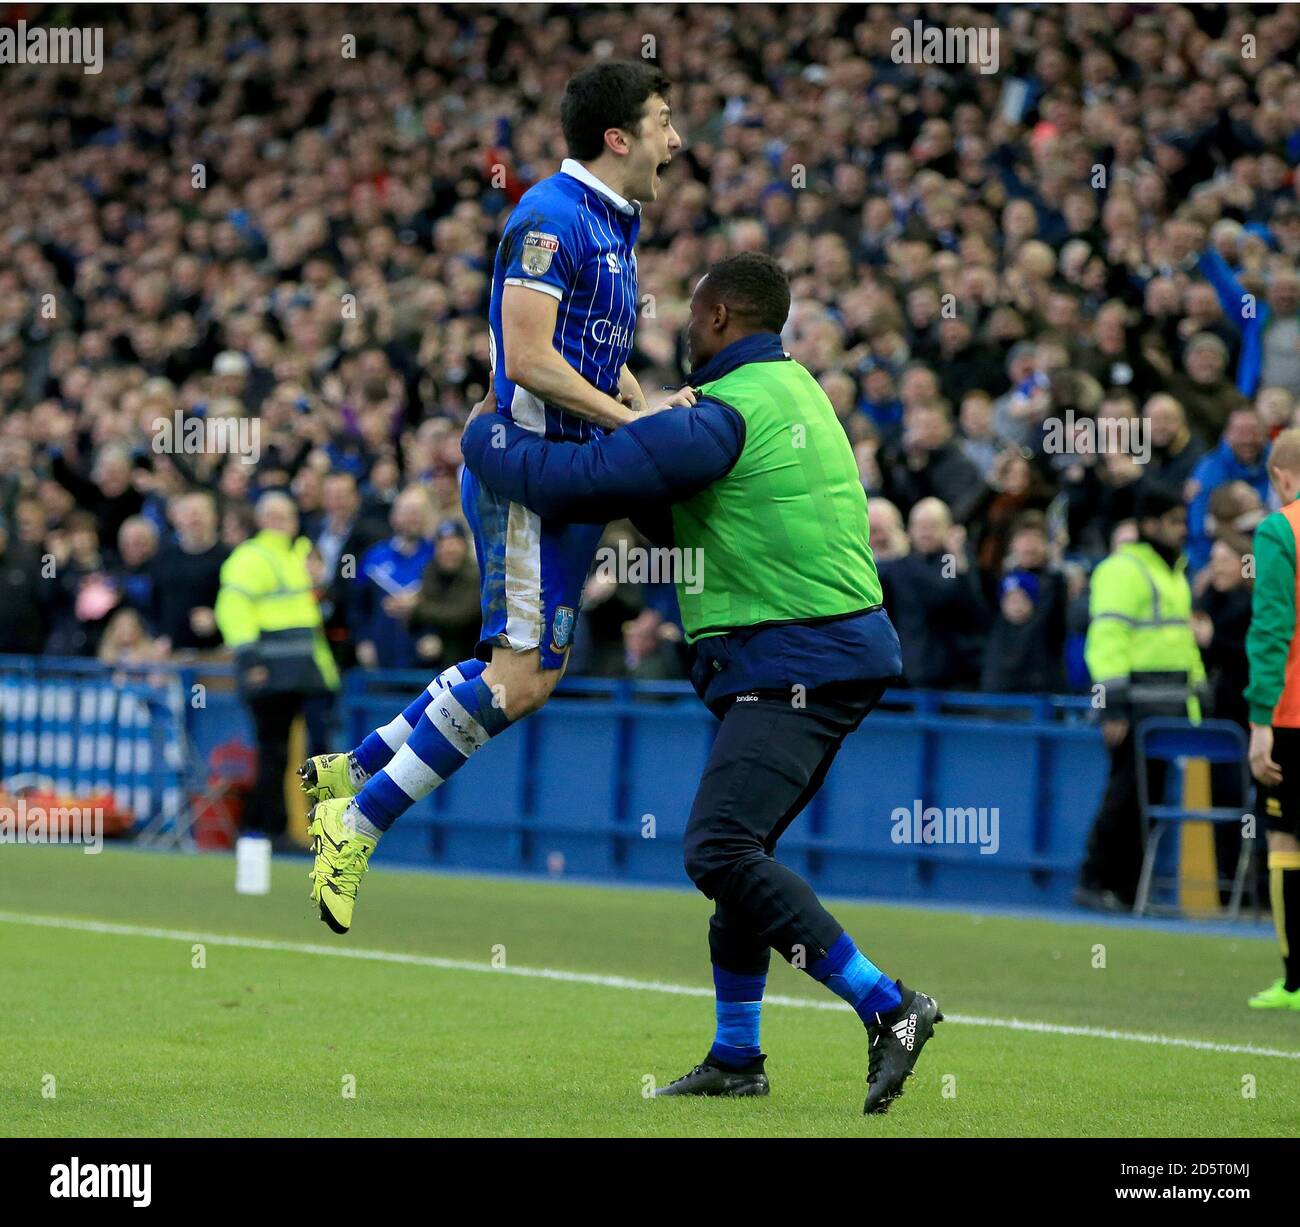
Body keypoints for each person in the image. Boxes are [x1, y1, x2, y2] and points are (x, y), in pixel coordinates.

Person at [462, 253, 942, 1115]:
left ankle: (889, 1004)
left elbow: (583, 486)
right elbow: (664, 494)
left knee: (718, 850)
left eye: (689, 310)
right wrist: (632, 425)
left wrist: (484, 439)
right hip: (817, 653)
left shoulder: (728, 409)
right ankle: (737, 1054)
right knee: (738, 857)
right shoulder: (785, 395)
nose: (682, 324)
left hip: (800, 659)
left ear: (718, 314)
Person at [299, 60, 693, 932]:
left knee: (526, 676)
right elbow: (531, 360)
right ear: (618, 138)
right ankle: (354, 824)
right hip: (529, 470)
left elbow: (591, 348)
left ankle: (357, 768)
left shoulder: (610, 222)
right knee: (518, 678)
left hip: (571, 476)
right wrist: (636, 429)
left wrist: (644, 404)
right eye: (665, 121)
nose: (678, 140)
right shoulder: (550, 217)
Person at [1077, 484, 1206, 911]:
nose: (1182, 529)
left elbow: (1180, 640)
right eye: (1173, 521)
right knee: (1125, 797)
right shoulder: (1123, 569)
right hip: (1135, 707)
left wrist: (1198, 694)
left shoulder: (1173, 570)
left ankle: (1129, 891)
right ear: (1149, 524)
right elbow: (1106, 639)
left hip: (1166, 707)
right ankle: (1095, 883)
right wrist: (1112, 706)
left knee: (1146, 802)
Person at [214, 492, 339, 883]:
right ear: (262, 519)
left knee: (315, 755)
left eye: (286, 514)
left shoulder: (301, 554)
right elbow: (233, 609)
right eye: (274, 515)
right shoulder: (252, 557)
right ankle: (265, 829)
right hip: (272, 671)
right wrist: (250, 659)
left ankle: (307, 830)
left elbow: (317, 607)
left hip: (306, 671)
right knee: (275, 754)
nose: (282, 521)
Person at [1243, 428, 1300, 1009]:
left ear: (1281, 477)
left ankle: (1294, 979)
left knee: (1286, 837)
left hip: (1293, 712)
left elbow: (1272, 629)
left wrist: (1261, 720)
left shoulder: (1281, 528)